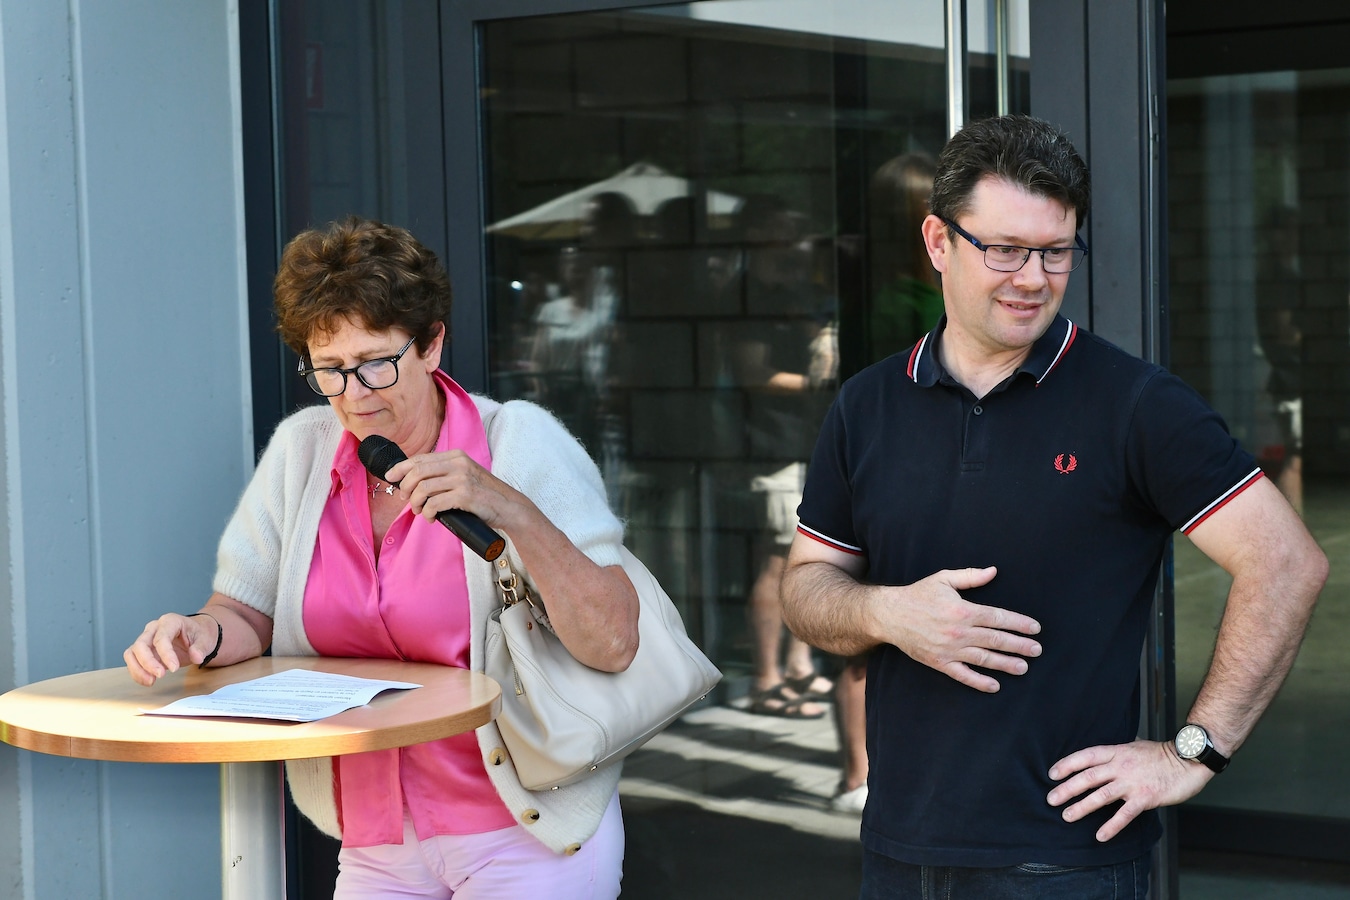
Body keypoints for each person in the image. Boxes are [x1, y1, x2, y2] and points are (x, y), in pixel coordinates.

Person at [780, 115, 1327, 898]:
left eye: (1055, 251)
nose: (1032, 277)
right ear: (939, 242)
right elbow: (807, 589)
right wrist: (886, 614)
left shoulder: (1136, 405)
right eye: (1003, 249)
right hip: (899, 850)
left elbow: (1286, 563)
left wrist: (1192, 752)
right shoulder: (867, 406)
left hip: (1064, 862)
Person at [123, 216, 639, 899]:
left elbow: (614, 638)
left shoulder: (518, 443)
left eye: (375, 363)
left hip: (528, 831)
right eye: (330, 371)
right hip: (380, 839)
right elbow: (246, 612)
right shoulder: (302, 451)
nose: (355, 395)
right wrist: (200, 634)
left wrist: (506, 505)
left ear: (431, 344)